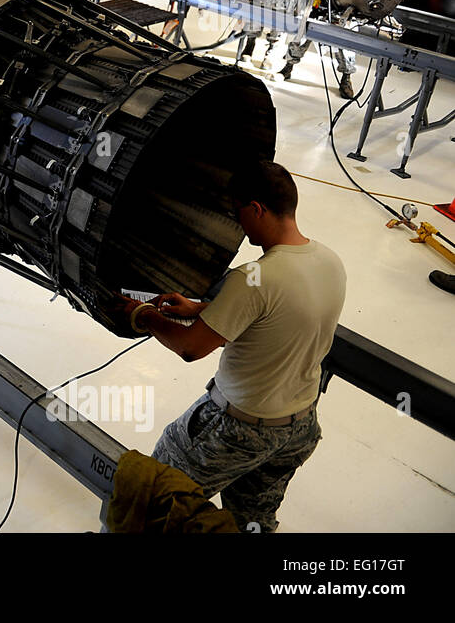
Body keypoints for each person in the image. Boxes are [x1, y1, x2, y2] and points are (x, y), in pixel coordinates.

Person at [118, 160, 347, 532]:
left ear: (256, 209)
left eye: (237, 212)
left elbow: (191, 348)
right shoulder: (328, 260)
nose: (237, 223)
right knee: (251, 522)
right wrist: (202, 309)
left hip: (237, 429)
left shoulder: (254, 276)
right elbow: (276, 314)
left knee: (151, 497)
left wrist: (144, 315)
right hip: (299, 426)